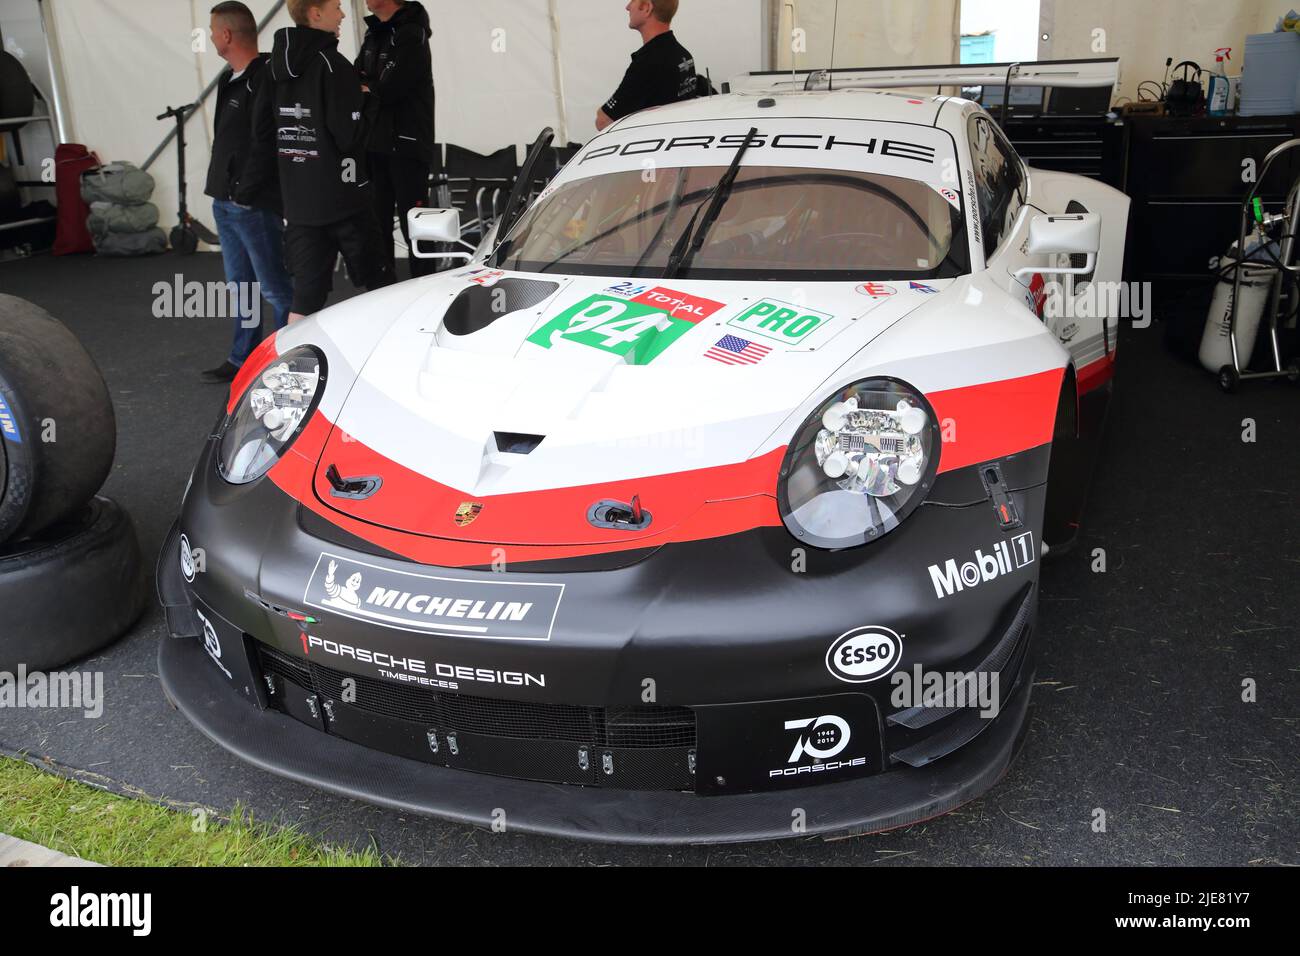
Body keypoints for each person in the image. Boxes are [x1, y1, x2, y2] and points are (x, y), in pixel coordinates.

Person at [240, 0, 394, 323]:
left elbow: (262, 132)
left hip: (300, 207)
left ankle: (290, 370)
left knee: (304, 301)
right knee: (380, 288)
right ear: (315, 13)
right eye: (336, 7)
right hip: (346, 201)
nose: (341, 15)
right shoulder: (333, 64)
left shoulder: (271, 67)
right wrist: (368, 100)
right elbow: (349, 136)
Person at [201, 1, 294, 384]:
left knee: (274, 287)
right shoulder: (228, 78)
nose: (209, 37)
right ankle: (242, 357)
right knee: (240, 286)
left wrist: (245, 191)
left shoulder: (265, 77)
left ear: (226, 34)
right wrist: (225, 190)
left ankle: (286, 356)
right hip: (225, 200)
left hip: (252, 203)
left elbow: (266, 142)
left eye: (212, 30)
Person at [355, 0, 436, 281]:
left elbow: (391, 87)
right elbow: (356, 79)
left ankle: (425, 286)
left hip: (407, 144)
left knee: (415, 222)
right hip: (375, 142)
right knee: (376, 223)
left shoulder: (411, 32)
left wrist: (370, 86)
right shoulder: (373, 33)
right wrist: (369, 86)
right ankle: (382, 289)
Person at [595, 0, 697, 132]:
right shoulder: (683, 55)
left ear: (647, 8)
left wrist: (600, 112)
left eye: (633, 1)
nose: (627, 7)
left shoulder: (648, 63)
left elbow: (603, 122)